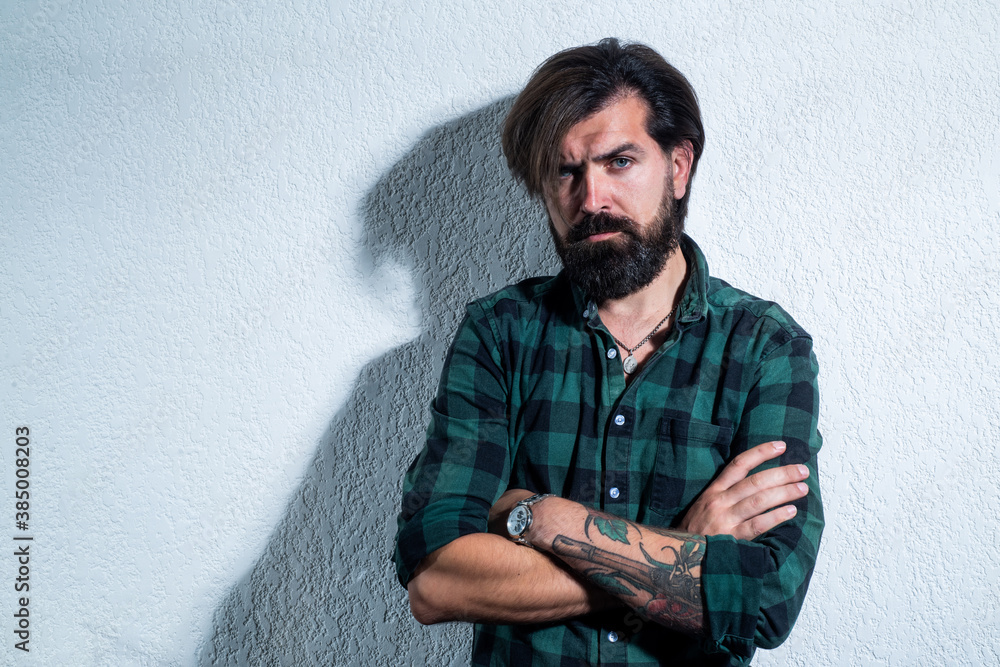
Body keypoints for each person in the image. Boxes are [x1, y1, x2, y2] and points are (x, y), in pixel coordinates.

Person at [393, 38, 823, 666]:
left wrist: (546, 519)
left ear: (678, 167)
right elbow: (437, 581)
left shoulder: (765, 348)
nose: (591, 200)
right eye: (567, 173)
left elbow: (762, 600)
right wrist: (677, 551)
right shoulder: (498, 335)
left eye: (619, 162)